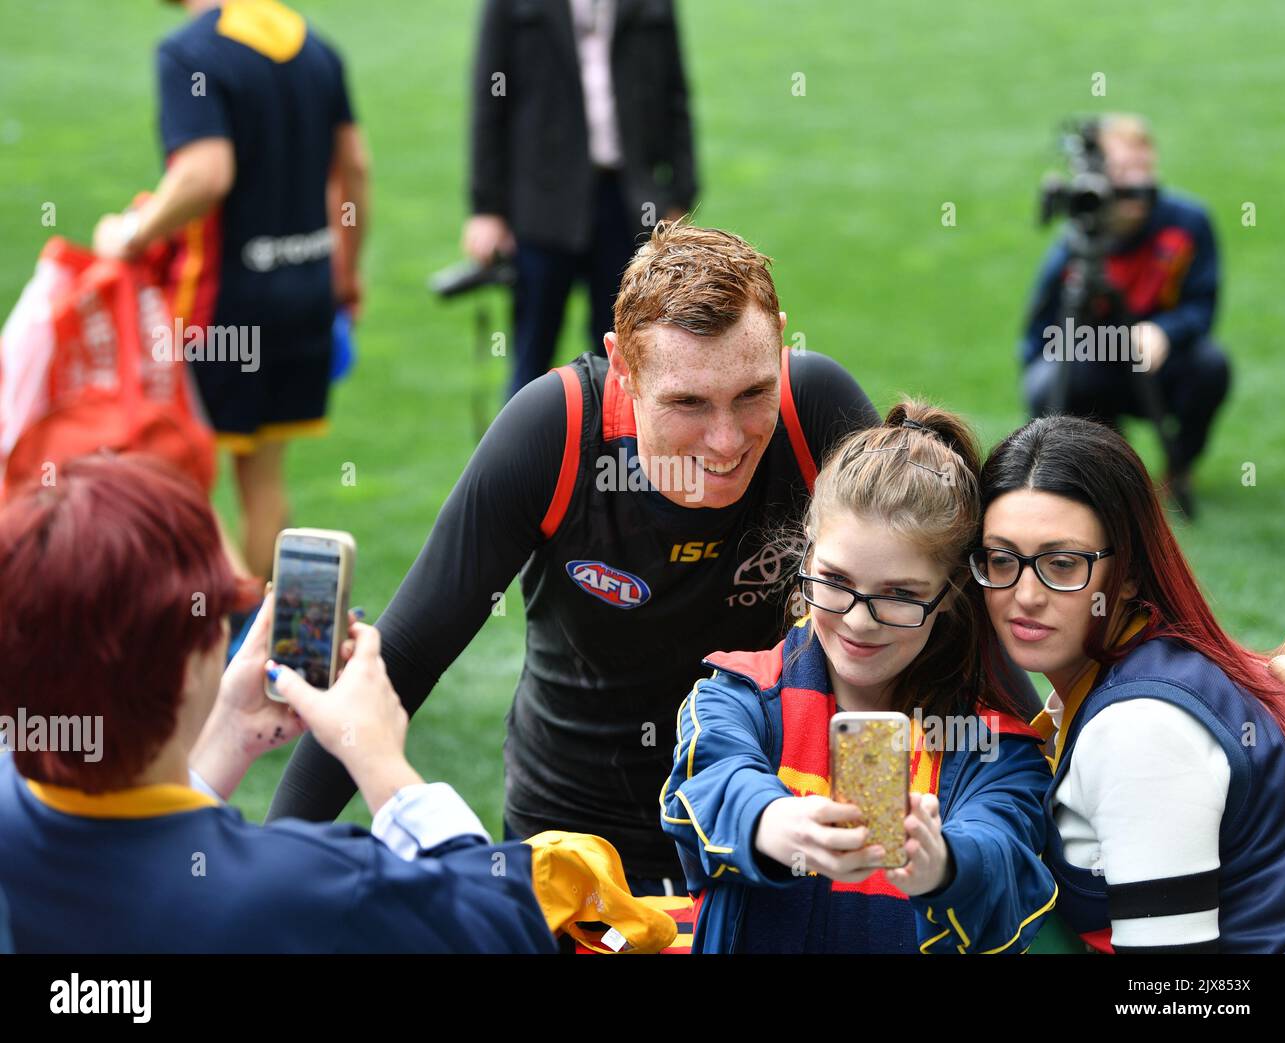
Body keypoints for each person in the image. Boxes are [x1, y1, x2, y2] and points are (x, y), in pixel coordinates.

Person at [268, 222, 883, 891]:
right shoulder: (555, 431)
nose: (727, 439)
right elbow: (408, 654)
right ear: (623, 366)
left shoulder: (815, 410)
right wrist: (268, 865)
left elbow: (932, 599)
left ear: (781, 347)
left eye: (752, 393)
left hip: (756, 821)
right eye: (688, 402)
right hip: (570, 839)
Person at [0, 453, 674, 954]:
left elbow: (136, 863)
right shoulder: (309, 889)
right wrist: (380, 760)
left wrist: (228, 734)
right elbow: (497, 926)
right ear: (194, 661)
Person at [661, 403, 1057, 952]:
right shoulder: (736, 696)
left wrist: (942, 865)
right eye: (835, 581)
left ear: (950, 595)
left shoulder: (995, 748)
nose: (857, 620)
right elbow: (708, 790)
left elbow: (1007, 863)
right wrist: (774, 821)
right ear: (807, 547)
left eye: (900, 596)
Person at [973, 414, 1285, 953]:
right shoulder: (1133, 672)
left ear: (1126, 572)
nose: (1026, 594)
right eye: (1002, 560)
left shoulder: (1139, 730)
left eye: (1061, 563)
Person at [93, 0, 369, 582]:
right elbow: (356, 169)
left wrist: (130, 233)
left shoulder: (190, 52)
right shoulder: (314, 48)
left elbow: (205, 173)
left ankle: (215, 625)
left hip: (220, 310)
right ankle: (256, 634)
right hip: (306, 295)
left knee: (175, 476)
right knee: (264, 481)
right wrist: (345, 272)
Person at [463, 0, 697, 401]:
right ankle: (525, 463)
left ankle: (624, 464)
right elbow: (490, 97)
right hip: (541, 202)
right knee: (530, 367)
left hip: (627, 202)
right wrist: (487, 208)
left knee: (626, 363)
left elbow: (675, 94)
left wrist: (679, 197)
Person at [1019, 114, 1229, 515]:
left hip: (1160, 365)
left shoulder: (1188, 222)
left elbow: (1203, 305)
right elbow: (1039, 335)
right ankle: (1082, 478)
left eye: (1144, 169)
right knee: (1047, 382)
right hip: (1093, 368)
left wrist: (1164, 333)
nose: (1137, 184)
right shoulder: (1076, 243)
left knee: (1211, 364)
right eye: (1122, 171)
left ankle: (1179, 469)